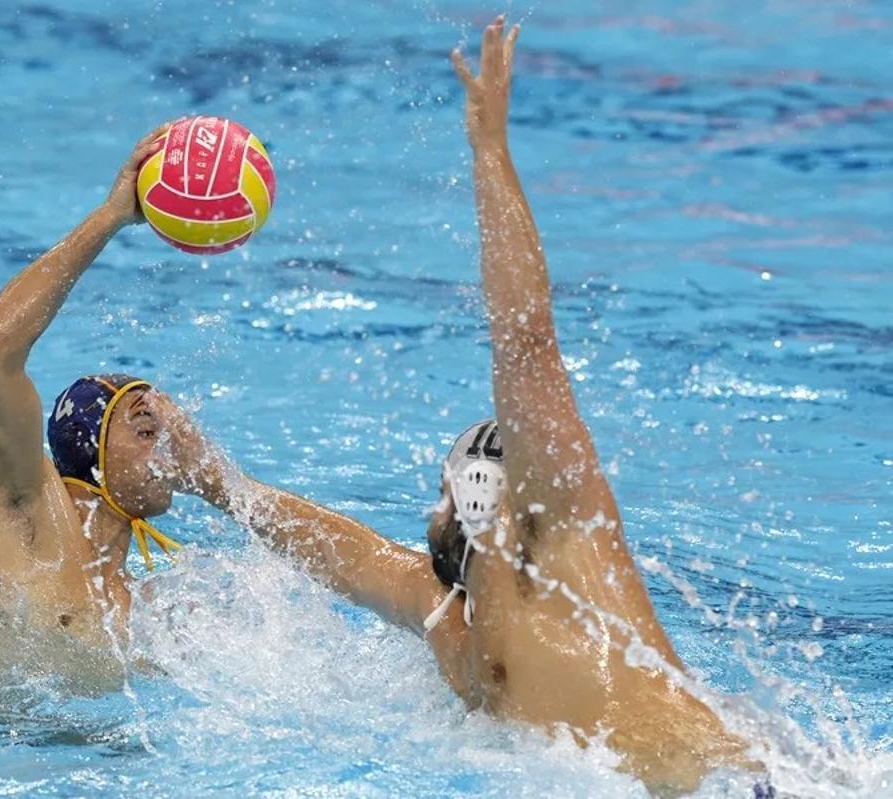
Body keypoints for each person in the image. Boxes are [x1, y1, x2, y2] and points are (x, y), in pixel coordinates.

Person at [152, 19, 754, 795]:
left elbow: (527, 342)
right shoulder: (455, 621)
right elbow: (351, 556)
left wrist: (490, 152)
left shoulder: (562, 541)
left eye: (445, 484)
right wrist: (218, 484)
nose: (433, 507)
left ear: (492, 482)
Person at [0, 122, 197, 671]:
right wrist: (111, 218)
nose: (170, 447)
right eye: (147, 429)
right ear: (92, 450)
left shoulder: (148, 610)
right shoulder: (24, 508)